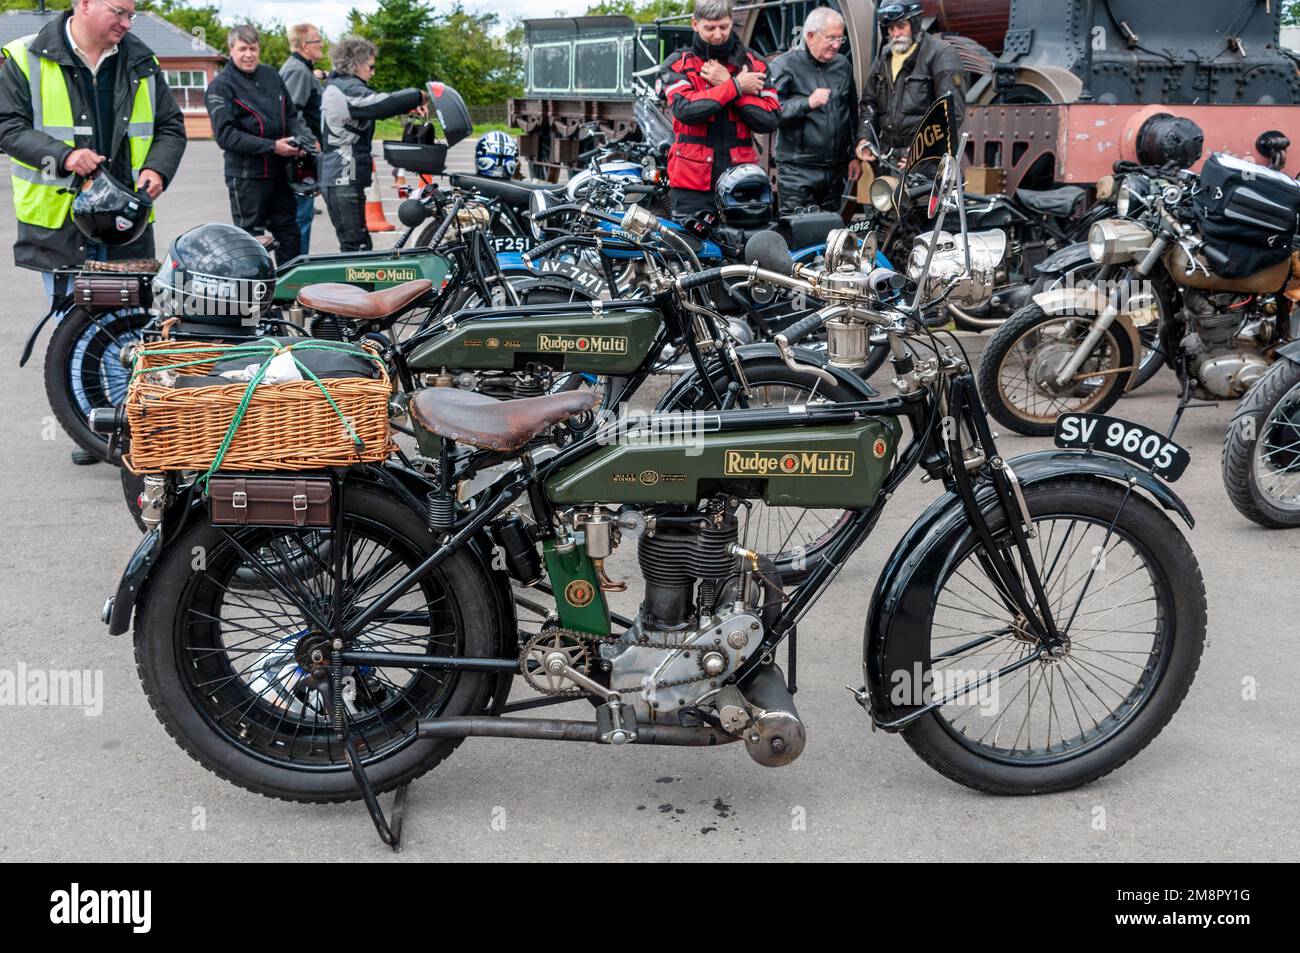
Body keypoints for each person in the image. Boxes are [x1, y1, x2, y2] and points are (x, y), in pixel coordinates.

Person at [0, 0, 186, 464]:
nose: (127, 23)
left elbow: (170, 127)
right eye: (119, 11)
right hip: (60, 222)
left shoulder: (142, 60)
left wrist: (158, 171)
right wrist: (62, 155)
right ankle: (89, 425)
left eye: (133, 14)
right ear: (83, 4)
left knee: (129, 329)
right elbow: (6, 125)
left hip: (126, 220)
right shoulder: (24, 56)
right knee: (75, 330)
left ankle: (132, 423)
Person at [660, 0, 779, 220]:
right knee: (693, 250)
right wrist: (736, 86)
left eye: (723, 27)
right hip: (692, 184)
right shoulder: (677, 64)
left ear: (732, 22)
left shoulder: (755, 64)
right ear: (695, 24)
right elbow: (686, 110)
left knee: (748, 247)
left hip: (742, 177)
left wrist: (728, 83)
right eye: (710, 28)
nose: (718, 34)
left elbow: (770, 118)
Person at [205, 24, 312, 265]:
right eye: (242, 49)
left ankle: (292, 289)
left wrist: (301, 139)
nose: (248, 55)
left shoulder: (271, 75)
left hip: (281, 172)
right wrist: (272, 146)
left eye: (253, 48)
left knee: (289, 233)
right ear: (231, 50)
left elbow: (291, 114)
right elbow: (226, 136)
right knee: (250, 240)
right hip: (247, 178)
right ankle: (255, 293)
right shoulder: (221, 85)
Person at [319, 37, 425, 252]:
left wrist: (407, 108)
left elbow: (373, 106)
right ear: (356, 63)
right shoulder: (347, 88)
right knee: (355, 247)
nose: (373, 72)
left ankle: (358, 285)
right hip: (342, 173)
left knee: (358, 244)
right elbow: (381, 104)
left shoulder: (342, 85)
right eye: (371, 66)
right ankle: (355, 286)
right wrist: (419, 96)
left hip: (344, 173)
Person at [768, 7, 859, 214]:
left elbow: (851, 112)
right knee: (800, 234)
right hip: (797, 171)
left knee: (830, 235)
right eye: (831, 38)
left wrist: (853, 156)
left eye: (840, 39)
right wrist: (807, 103)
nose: (837, 45)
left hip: (835, 170)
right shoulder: (783, 66)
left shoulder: (843, 65)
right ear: (810, 36)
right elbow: (771, 112)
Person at [855, 1, 966, 164]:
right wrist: (865, 138)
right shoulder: (885, 55)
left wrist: (919, 152)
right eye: (891, 28)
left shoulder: (942, 53)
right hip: (887, 159)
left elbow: (950, 114)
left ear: (914, 24)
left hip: (927, 163)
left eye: (901, 26)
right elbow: (869, 104)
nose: (895, 34)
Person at [280, 23, 324, 253]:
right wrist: (310, 142)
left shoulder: (301, 68)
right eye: (317, 40)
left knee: (301, 215)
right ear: (305, 46)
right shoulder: (297, 70)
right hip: (301, 156)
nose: (321, 44)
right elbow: (291, 113)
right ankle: (296, 273)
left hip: (302, 154)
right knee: (300, 217)